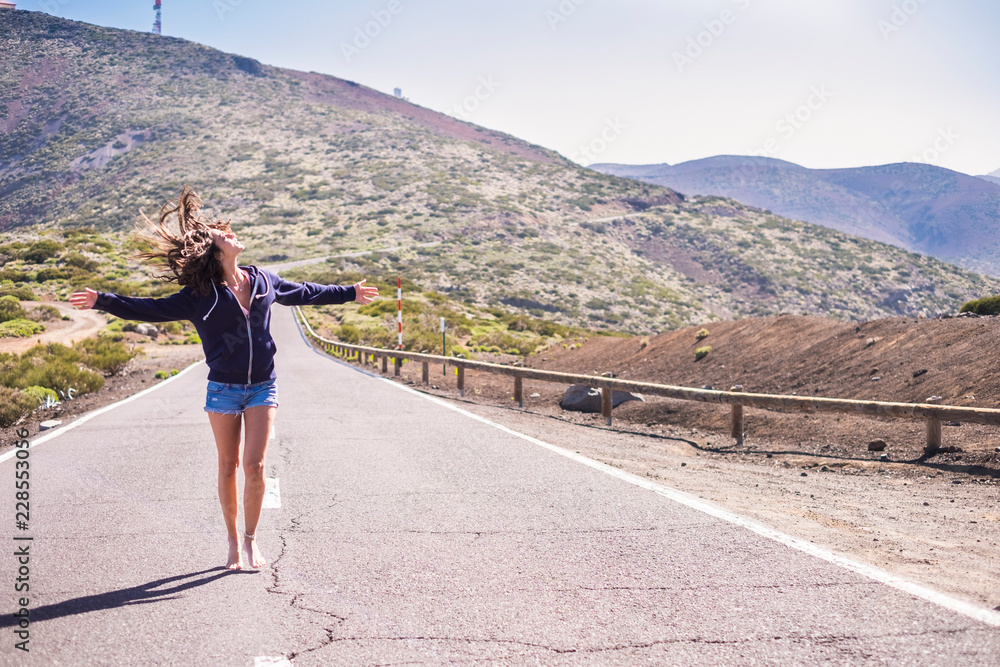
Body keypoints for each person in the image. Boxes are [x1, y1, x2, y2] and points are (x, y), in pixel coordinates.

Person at [69, 187, 378, 570]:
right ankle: (232, 541)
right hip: (223, 390)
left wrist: (349, 293)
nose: (231, 235)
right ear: (215, 253)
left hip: (263, 385)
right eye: (223, 236)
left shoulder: (263, 280)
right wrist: (103, 300)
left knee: (255, 466)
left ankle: (251, 541)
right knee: (228, 466)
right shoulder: (200, 296)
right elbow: (149, 310)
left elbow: (305, 293)